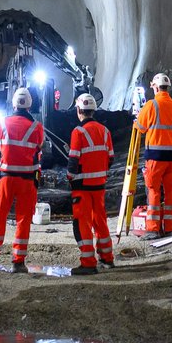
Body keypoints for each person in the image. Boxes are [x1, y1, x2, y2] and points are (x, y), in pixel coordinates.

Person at [0, 87, 45, 273]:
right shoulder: (37, 127)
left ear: (13, 102)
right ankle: (18, 262)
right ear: (30, 103)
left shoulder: (2, 123)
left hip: (6, 179)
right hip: (27, 180)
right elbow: (38, 151)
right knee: (24, 220)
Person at [67, 93, 115, 275]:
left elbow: (73, 160)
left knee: (83, 224)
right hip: (99, 185)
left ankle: (88, 262)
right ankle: (107, 258)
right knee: (100, 222)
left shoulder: (78, 132)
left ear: (79, 110)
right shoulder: (105, 131)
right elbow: (110, 158)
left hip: (82, 186)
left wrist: (70, 176)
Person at [135, 73, 172, 240]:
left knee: (154, 190)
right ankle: (170, 228)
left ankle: (153, 229)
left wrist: (137, 118)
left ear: (154, 87)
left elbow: (140, 127)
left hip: (156, 156)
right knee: (170, 192)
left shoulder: (151, 105)